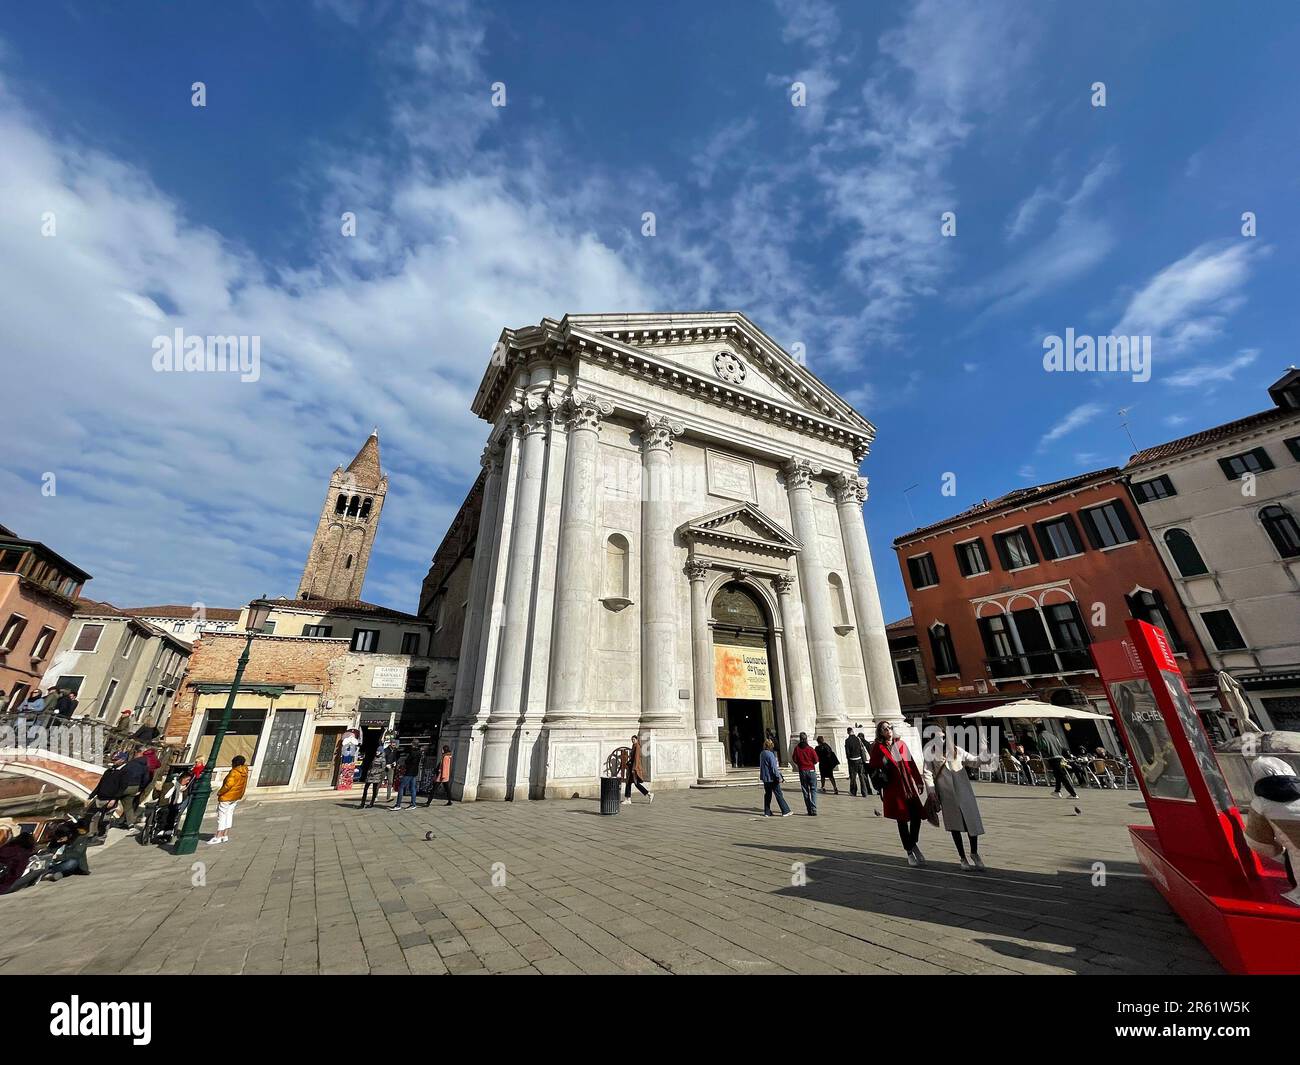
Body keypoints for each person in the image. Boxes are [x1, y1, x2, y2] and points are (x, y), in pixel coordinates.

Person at [929, 735, 993, 870]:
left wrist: (984, 754)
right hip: (947, 795)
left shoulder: (958, 751)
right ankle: (962, 858)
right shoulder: (931, 755)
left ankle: (974, 853)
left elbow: (974, 761)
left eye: (944, 738)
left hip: (963, 792)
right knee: (955, 826)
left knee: (972, 824)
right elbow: (928, 773)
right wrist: (932, 792)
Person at [869, 720, 928, 866]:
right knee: (902, 820)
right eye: (884, 728)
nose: (888, 730)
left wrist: (918, 781)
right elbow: (873, 767)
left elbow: (911, 763)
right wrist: (882, 762)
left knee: (917, 818)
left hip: (908, 786)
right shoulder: (878, 747)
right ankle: (909, 852)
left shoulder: (900, 744)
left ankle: (912, 843)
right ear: (880, 732)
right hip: (893, 788)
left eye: (890, 727)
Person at [207, 755, 248, 845]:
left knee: (221, 816)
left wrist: (220, 792)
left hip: (227, 796)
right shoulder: (245, 771)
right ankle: (225, 835)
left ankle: (218, 836)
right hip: (236, 796)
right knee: (229, 814)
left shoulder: (234, 772)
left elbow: (228, 785)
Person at [116, 749, 161, 827]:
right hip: (137, 786)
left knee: (115, 801)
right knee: (130, 804)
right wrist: (140, 788)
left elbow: (122, 772)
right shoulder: (149, 764)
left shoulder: (133, 762)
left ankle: (120, 820)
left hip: (124, 785)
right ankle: (128, 822)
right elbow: (147, 778)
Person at [1035, 723, 1077, 799]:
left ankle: (1073, 794)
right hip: (1058, 756)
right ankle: (1057, 791)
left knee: (1061, 775)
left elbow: (1042, 747)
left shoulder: (1041, 736)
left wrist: (1039, 748)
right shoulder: (1053, 736)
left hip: (1052, 757)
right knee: (1057, 774)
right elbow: (1060, 746)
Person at [759, 738, 792, 816]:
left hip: (765, 778)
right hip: (772, 778)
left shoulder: (762, 753)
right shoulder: (770, 754)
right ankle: (785, 810)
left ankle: (767, 812)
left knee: (768, 795)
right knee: (778, 794)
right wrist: (779, 777)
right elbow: (774, 768)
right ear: (771, 746)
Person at [791, 732, 820, 815]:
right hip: (811, 770)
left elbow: (794, 759)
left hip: (802, 771)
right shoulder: (810, 749)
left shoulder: (797, 749)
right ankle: (814, 809)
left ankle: (809, 810)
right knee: (813, 790)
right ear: (806, 739)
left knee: (805, 790)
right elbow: (816, 759)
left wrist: (800, 764)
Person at [622, 734, 652, 804]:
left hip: (634, 769)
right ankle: (628, 798)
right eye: (632, 739)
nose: (633, 741)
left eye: (634, 739)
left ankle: (648, 794)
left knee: (634, 783)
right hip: (632, 767)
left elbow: (636, 759)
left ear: (637, 740)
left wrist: (634, 768)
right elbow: (632, 758)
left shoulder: (637, 747)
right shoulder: (634, 746)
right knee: (630, 783)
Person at [391, 745, 423, 810]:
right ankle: (413, 804)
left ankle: (398, 805)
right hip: (415, 772)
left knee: (401, 787)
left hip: (409, 772)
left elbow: (407, 761)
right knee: (412, 788)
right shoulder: (420, 753)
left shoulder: (412, 753)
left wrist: (406, 761)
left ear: (414, 745)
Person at [844, 728, 871, 797]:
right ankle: (864, 792)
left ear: (848, 732)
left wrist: (849, 759)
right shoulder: (858, 739)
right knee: (861, 776)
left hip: (852, 760)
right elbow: (861, 749)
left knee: (853, 777)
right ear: (853, 731)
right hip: (859, 760)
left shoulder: (847, 741)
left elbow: (847, 752)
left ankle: (853, 791)